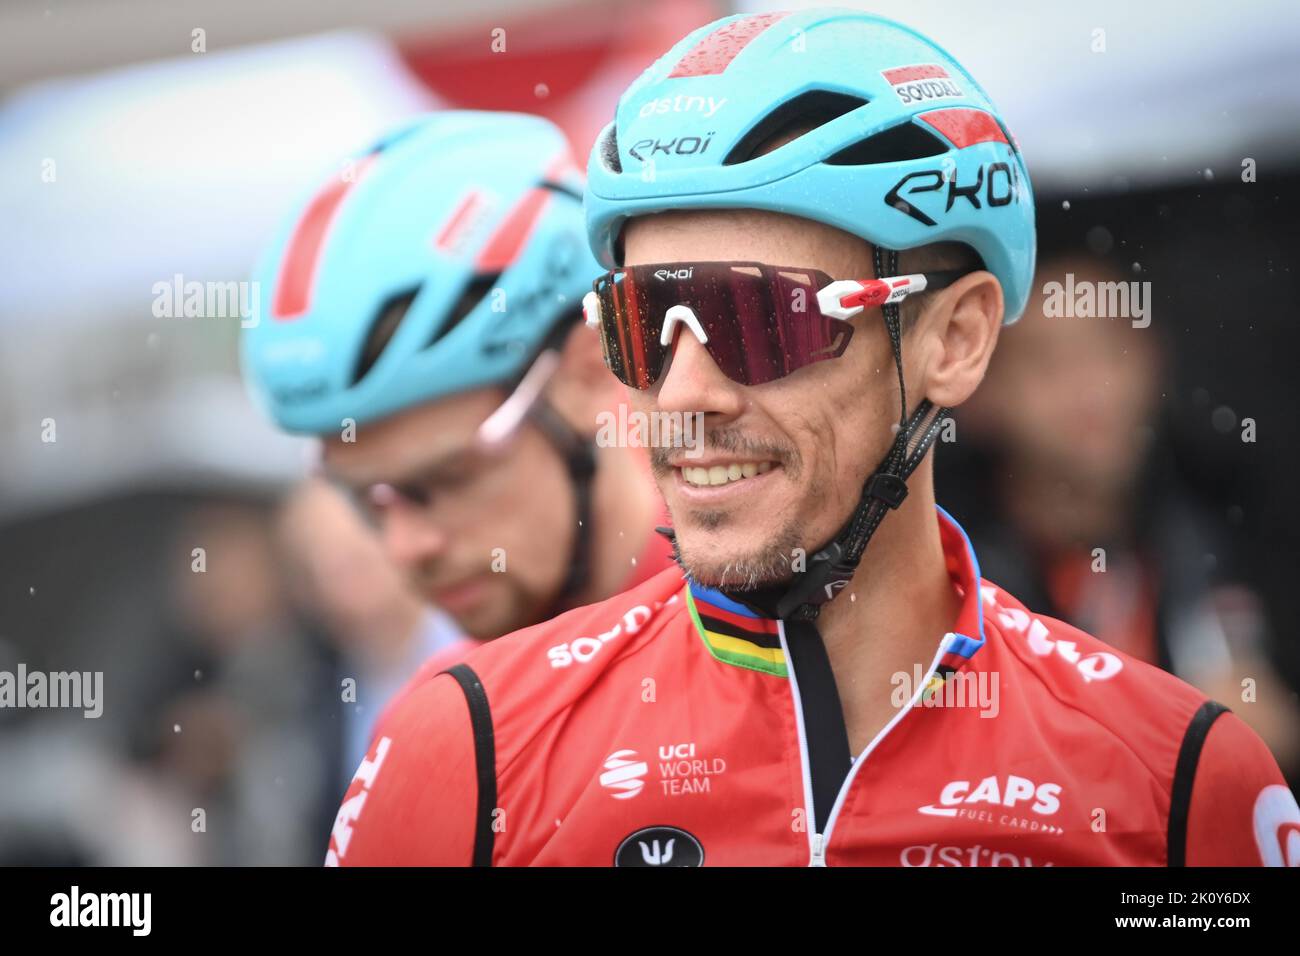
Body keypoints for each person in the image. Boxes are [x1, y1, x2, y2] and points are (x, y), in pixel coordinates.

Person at [327, 10, 1298, 867]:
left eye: (759, 320)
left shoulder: (1178, 780)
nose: (684, 393)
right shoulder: (466, 742)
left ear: (953, 341)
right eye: (642, 322)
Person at [243, 111, 672, 740]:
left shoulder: (795, 644)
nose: (404, 548)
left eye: (449, 477)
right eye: (369, 502)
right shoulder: (430, 733)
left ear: (587, 371)